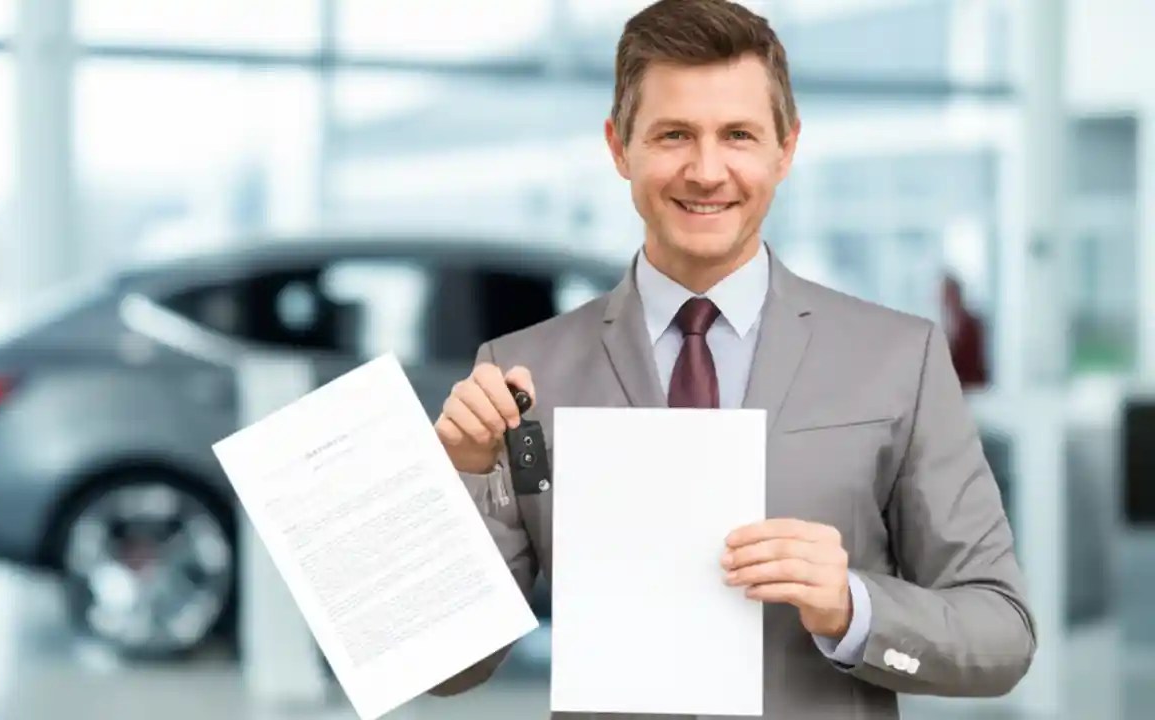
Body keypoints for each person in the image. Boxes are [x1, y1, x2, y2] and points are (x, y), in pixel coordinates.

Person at [428, 1, 1035, 717]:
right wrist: (461, 481)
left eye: (738, 135)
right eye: (674, 134)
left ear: (786, 147)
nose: (706, 170)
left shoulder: (899, 360)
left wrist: (854, 609)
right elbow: (450, 670)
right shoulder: (523, 373)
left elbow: (1001, 636)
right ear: (620, 148)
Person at [941, 273, 991, 390]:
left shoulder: (972, 324)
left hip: (971, 388)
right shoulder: (945, 325)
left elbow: (972, 362)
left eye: (947, 294)